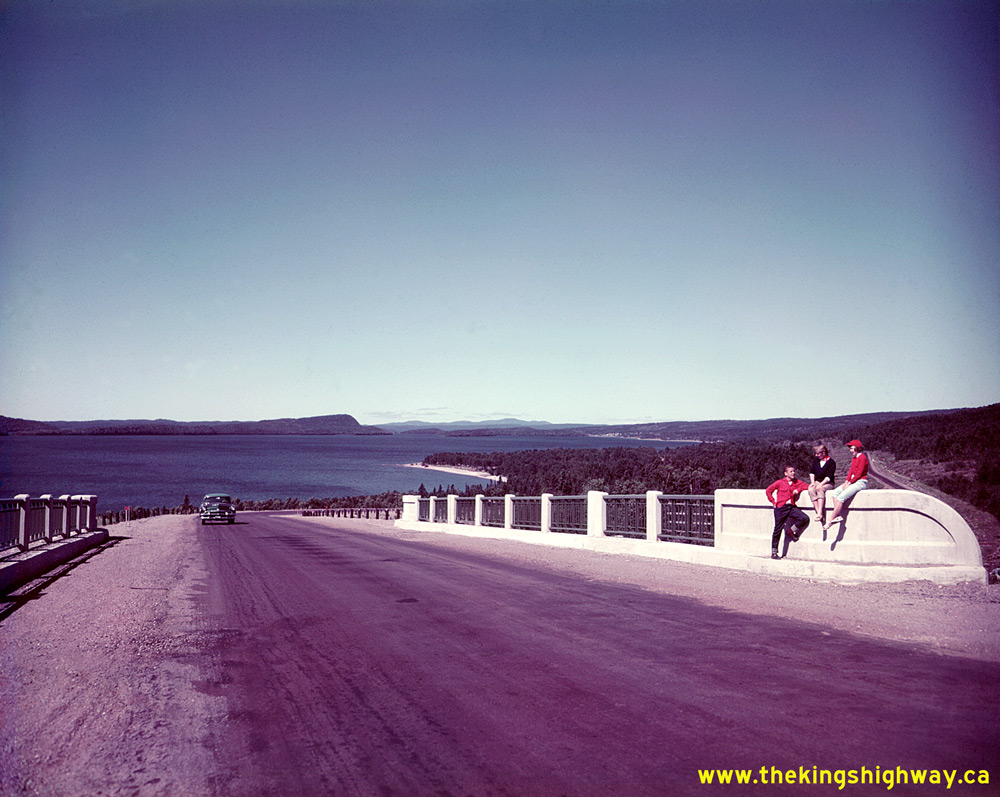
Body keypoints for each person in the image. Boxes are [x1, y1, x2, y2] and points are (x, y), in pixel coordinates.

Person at [765, 466, 811, 559]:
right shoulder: (779, 482)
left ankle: (791, 531)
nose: (793, 473)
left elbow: (807, 486)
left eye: (794, 471)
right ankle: (774, 552)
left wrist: (798, 490)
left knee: (804, 518)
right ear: (785, 473)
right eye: (791, 471)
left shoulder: (797, 482)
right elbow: (768, 490)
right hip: (780, 508)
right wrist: (773, 502)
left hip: (791, 507)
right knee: (777, 529)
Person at [824, 439, 869, 531]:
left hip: (860, 482)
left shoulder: (862, 458)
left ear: (857, 448)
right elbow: (851, 472)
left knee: (841, 498)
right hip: (853, 481)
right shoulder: (855, 458)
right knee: (835, 493)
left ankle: (830, 520)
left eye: (851, 448)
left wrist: (850, 483)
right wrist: (846, 482)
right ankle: (838, 515)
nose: (850, 450)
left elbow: (858, 474)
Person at [807, 444, 836, 523]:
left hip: (827, 482)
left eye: (818, 454)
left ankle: (820, 512)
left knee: (820, 489)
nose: (816, 455)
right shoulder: (816, 460)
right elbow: (812, 472)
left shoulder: (831, 462)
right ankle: (818, 512)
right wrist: (813, 482)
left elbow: (829, 476)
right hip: (817, 481)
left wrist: (821, 484)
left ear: (823, 453)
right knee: (811, 490)